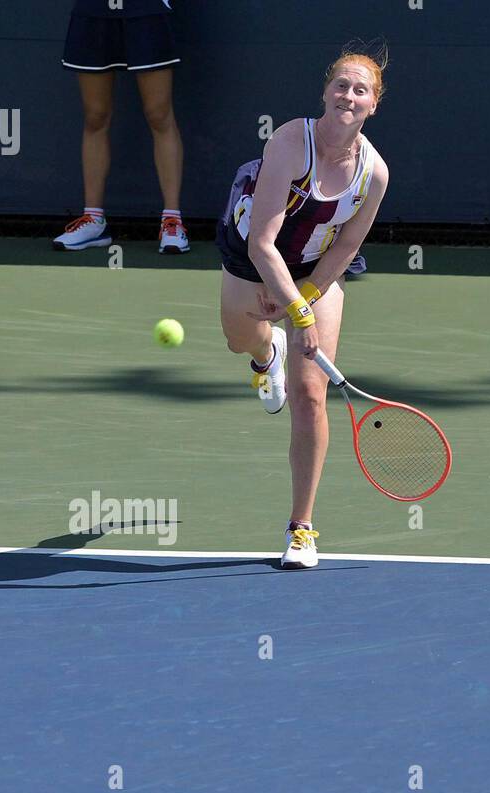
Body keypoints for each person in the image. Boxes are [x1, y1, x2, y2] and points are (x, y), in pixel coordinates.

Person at [215, 50, 389, 569]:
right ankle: (264, 357)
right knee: (238, 339)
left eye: (360, 91)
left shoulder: (374, 173)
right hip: (255, 253)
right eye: (341, 86)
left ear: (374, 105)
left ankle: (301, 529)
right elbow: (262, 244)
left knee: (311, 393)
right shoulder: (292, 141)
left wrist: (306, 297)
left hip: (315, 267)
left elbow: (347, 247)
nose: (348, 97)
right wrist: (296, 315)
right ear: (325, 91)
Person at [56, 0, 188, 254]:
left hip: (145, 10)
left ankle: (172, 222)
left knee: (158, 114)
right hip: (93, 11)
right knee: (95, 115)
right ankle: (94, 220)